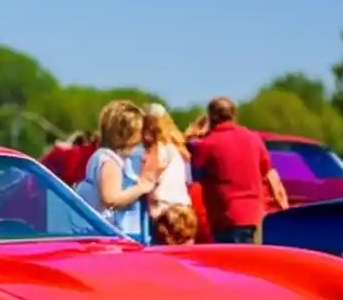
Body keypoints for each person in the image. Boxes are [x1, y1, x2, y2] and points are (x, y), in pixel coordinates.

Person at [190, 97, 287, 244]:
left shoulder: (206, 145)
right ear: (234, 115)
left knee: (229, 264)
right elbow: (269, 173)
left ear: (210, 117)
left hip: (226, 218)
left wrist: (194, 138)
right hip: (255, 216)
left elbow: (195, 176)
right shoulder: (253, 139)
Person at [75, 100, 157, 242]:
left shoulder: (99, 155)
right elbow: (111, 199)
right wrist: (141, 188)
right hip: (101, 235)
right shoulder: (110, 162)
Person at [135, 104, 196, 245]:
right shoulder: (179, 150)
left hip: (164, 212)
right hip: (183, 209)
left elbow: (146, 180)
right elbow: (188, 181)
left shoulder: (158, 149)